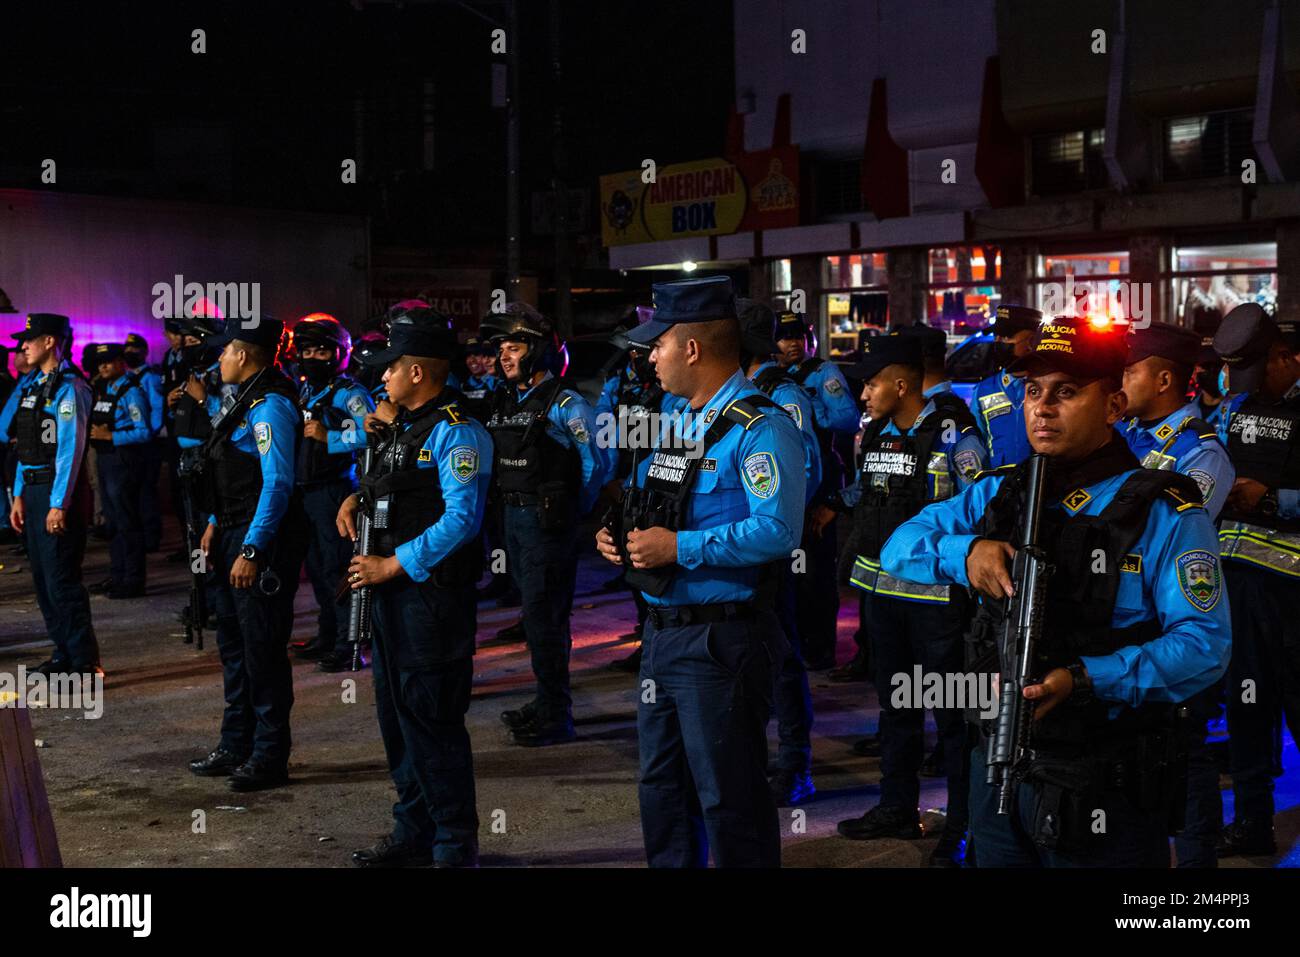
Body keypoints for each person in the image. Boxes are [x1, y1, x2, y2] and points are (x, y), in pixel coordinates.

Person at [882, 315, 1231, 867]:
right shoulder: (1000, 491)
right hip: (998, 765)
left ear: (1115, 406)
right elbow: (899, 546)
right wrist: (966, 552)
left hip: (1104, 778)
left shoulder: (1164, 511)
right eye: (1033, 391)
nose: (1042, 408)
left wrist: (1088, 679)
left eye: (1066, 392)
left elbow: (1205, 645)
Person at [596, 275, 805, 867]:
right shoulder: (674, 416)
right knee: (661, 790)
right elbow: (649, 499)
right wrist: (616, 534)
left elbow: (777, 531)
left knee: (729, 798)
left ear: (690, 348)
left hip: (722, 640)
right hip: (663, 634)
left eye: (657, 344)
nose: (649, 356)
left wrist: (679, 547)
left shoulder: (761, 426)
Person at [822, 332, 986, 866]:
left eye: (869, 384)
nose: (862, 395)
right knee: (897, 707)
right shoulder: (877, 434)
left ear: (900, 383)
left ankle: (963, 828)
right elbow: (867, 498)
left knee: (956, 717)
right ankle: (897, 807)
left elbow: (980, 506)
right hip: (883, 601)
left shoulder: (955, 435)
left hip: (940, 604)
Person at [340, 308, 492, 869]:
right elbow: (392, 485)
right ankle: (414, 834)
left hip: (431, 601)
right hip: (393, 602)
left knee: (433, 724)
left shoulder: (458, 430)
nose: (381, 379)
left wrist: (392, 566)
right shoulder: (403, 425)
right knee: (397, 722)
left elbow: (461, 520)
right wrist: (356, 497)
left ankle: (454, 846)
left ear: (419, 373)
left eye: (389, 369)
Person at [187, 315, 307, 792]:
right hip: (233, 532)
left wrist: (253, 548)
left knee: (262, 651)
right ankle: (236, 743)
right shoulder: (246, 401)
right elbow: (234, 475)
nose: (219, 359)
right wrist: (216, 526)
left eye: (224, 351)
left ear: (244, 354)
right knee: (234, 648)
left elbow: (277, 484)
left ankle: (269, 755)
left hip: (260, 541)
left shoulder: (272, 406)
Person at [482, 302, 605, 747]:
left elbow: (595, 464)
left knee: (547, 618)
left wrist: (570, 511)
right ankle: (547, 700)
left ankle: (556, 715)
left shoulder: (565, 403)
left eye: (513, 348)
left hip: (546, 524)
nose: (504, 357)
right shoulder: (506, 399)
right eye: (502, 349)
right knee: (535, 619)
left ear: (538, 351)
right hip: (514, 520)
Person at [1213, 302, 1300, 857]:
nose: (1247, 384)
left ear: (1287, 356)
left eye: (1257, 369)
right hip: (1238, 588)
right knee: (1246, 706)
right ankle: (1252, 821)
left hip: (1294, 598)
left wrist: (1272, 499)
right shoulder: (1234, 409)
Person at [737, 299, 820, 806]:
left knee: (784, 658)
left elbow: (804, 472)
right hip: (739, 551)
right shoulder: (724, 398)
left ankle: (796, 765)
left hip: (771, 549)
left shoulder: (782, 396)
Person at [8, 313, 100, 676]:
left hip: (56, 491)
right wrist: (18, 494)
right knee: (44, 581)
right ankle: (63, 653)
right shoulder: (34, 385)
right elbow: (26, 446)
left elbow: (70, 450)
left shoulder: (71, 387)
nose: (23, 345)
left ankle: (84, 663)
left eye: (30, 339)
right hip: (33, 490)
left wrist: (58, 503)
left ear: (51, 341)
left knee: (62, 579)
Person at [288, 313, 376, 673]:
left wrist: (331, 438)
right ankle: (329, 635)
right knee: (319, 570)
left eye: (322, 352)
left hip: (337, 491)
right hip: (307, 492)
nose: (313, 358)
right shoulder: (309, 390)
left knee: (339, 569)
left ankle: (351, 643)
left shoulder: (351, 393)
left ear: (339, 354)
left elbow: (375, 434)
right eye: (307, 351)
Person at [775, 311, 858, 670]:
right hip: (790, 479)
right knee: (791, 573)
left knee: (817, 572)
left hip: (823, 478)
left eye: (799, 335)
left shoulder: (824, 373)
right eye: (785, 336)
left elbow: (847, 418)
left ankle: (821, 647)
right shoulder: (772, 379)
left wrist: (813, 414)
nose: (794, 343)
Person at [1121, 323, 1234, 520]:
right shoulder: (1121, 429)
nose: (1119, 382)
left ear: (1163, 381)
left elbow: (1178, 528)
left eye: (1128, 373)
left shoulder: (1201, 453)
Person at [87, 342, 152, 598]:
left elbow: (145, 431)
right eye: (100, 361)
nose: (103, 366)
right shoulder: (103, 388)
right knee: (112, 523)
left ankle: (133, 580)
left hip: (123, 461)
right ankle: (117, 575)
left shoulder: (131, 391)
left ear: (121, 362)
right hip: (106, 460)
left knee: (127, 522)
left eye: (109, 361)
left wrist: (111, 436)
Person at [969, 304, 1041, 468]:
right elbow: (977, 445)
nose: (998, 342)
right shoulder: (983, 390)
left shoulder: (1048, 387)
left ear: (1031, 340)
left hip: (1042, 485)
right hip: (999, 488)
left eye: (1007, 337)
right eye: (996, 336)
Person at [123, 333, 166, 553]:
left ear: (144, 352)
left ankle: (151, 535)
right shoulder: (127, 377)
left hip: (147, 441)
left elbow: (158, 408)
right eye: (127, 349)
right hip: (132, 442)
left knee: (147, 490)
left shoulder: (150, 378)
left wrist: (151, 432)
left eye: (135, 349)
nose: (130, 353)